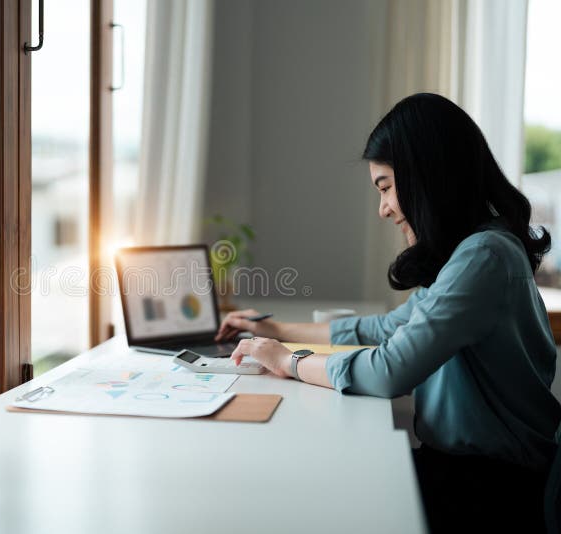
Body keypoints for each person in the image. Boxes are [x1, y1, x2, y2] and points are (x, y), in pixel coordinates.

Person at [215, 93, 561, 532]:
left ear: (426, 176)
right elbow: (389, 328)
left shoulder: (483, 257)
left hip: (490, 492)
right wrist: (279, 329)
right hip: (474, 475)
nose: (383, 208)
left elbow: (390, 370)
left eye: (385, 186)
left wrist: (288, 360)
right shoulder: (475, 250)